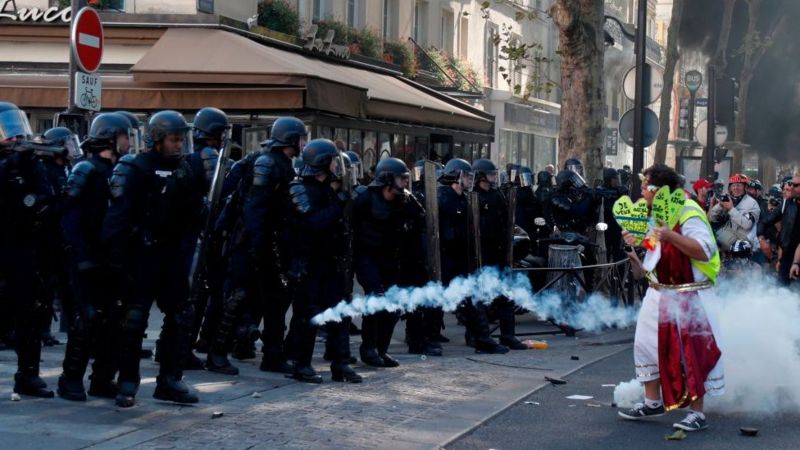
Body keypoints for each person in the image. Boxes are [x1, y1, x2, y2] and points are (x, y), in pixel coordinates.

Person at [102, 110, 205, 407]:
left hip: (172, 255)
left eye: (180, 139)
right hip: (142, 254)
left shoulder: (187, 168)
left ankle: (170, 380)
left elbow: (196, 215)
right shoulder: (136, 167)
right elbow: (118, 216)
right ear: (158, 140)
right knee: (133, 321)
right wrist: (118, 259)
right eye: (173, 139)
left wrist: (191, 191)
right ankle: (127, 381)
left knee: (180, 317)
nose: (178, 145)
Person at [618, 163, 724, 432]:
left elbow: (703, 252)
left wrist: (670, 235)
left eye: (645, 186)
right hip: (658, 292)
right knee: (645, 345)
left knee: (692, 352)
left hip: (689, 295)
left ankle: (697, 413)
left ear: (659, 189)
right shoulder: (657, 213)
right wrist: (637, 249)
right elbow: (656, 257)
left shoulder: (688, 211)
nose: (641, 191)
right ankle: (652, 401)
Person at [205, 117, 306, 375]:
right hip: (251, 243)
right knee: (237, 299)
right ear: (290, 139)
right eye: (300, 138)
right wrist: (258, 246)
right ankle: (217, 354)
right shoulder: (267, 164)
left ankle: (272, 354)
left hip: (268, 244)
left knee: (275, 299)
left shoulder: (281, 164)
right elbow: (252, 209)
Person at [57, 112, 132, 401]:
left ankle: (102, 378)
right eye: (125, 136)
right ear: (111, 138)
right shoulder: (86, 170)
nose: (129, 142)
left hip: (111, 258)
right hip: (85, 257)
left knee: (114, 321)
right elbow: (69, 216)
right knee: (87, 319)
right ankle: (70, 379)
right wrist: (80, 255)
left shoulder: (120, 171)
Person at [287, 139, 361, 383]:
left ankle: (341, 364)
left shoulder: (329, 189)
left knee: (340, 313)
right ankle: (302, 364)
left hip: (331, 262)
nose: (336, 165)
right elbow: (313, 223)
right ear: (321, 162)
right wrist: (339, 203)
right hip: (309, 263)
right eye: (332, 160)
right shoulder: (299, 189)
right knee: (309, 315)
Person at [0, 102, 58, 398]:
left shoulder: (30, 163)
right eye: (6, 130)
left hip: (22, 248)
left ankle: (28, 375)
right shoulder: (8, 164)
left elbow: (47, 197)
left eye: (15, 128)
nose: (13, 136)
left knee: (30, 313)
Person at [355, 157, 428, 363]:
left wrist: (411, 199)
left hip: (392, 260)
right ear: (387, 179)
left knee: (393, 307)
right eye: (401, 178)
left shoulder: (403, 200)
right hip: (368, 259)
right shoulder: (365, 199)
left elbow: (421, 219)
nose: (405, 183)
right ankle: (368, 349)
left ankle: (381, 349)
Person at [438, 158, 509, 354]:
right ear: (455, 176)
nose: (470, 180)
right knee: (434, 300)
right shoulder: (443, 198)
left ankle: (481, 339)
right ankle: (425, 340)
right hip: (446, 258)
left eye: (471, 176)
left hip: (464, 258)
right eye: (466, 176)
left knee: (473, 299)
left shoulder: (467, 198)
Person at [472, 159, 526, 350]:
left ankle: (508, 335)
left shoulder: (497, 195)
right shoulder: (474, 196)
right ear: (480, 175)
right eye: (491, 174)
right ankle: (477, 336)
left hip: (499, 251)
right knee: (478, 297)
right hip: (481, 254)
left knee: (505, 294)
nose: (494, 177)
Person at [708, 174, 760, 252]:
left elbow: (747, 224)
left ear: (745, 187)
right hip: (726, 242)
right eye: (733, 185)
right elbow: (711, 218)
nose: (736, 188)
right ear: (730, 188)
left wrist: (731, 209)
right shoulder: (728, 199)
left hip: (744, 245)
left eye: (739, 185)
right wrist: (720, 205)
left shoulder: (752, 203)